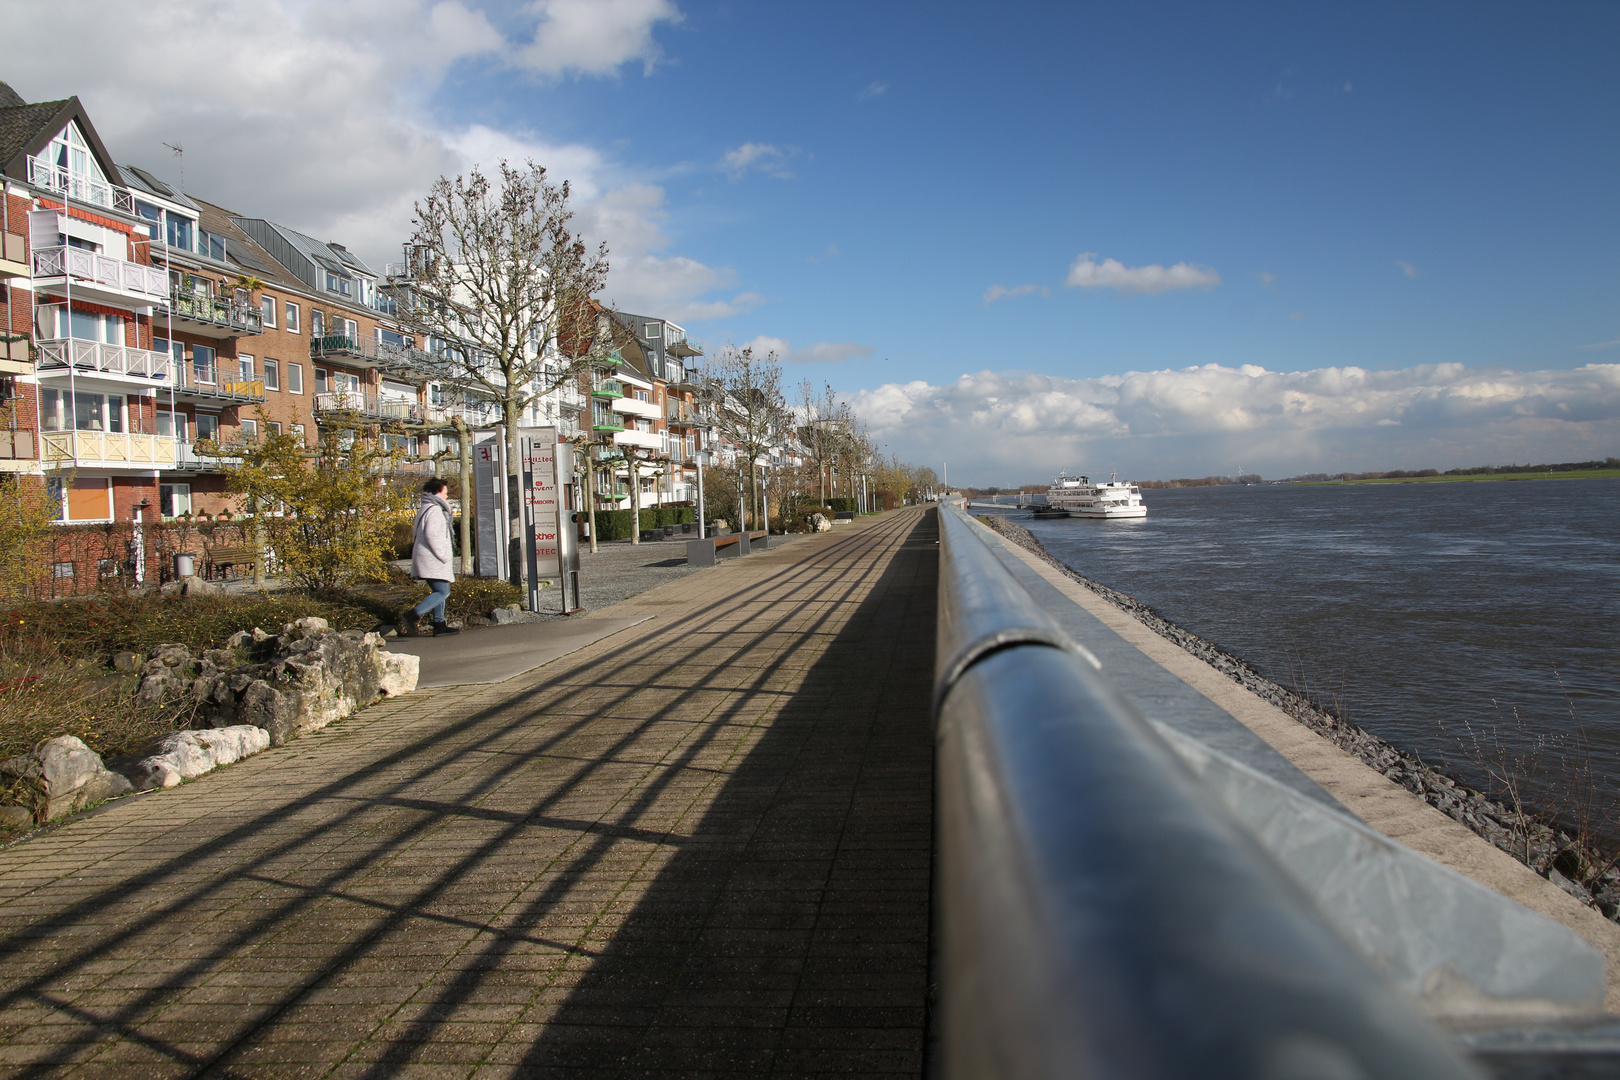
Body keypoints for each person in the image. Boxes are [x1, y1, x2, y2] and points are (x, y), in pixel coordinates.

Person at [403, 478, 459, 636]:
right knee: (443, 592)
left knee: (439, 590)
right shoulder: (434, 510)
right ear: (438, 492)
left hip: (427, 557)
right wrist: (444, 555)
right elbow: (432, 535)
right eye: (445, 492)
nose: (447, 495)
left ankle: (439, 624)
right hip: (433, 559)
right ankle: (412, 615)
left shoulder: (425, 508)